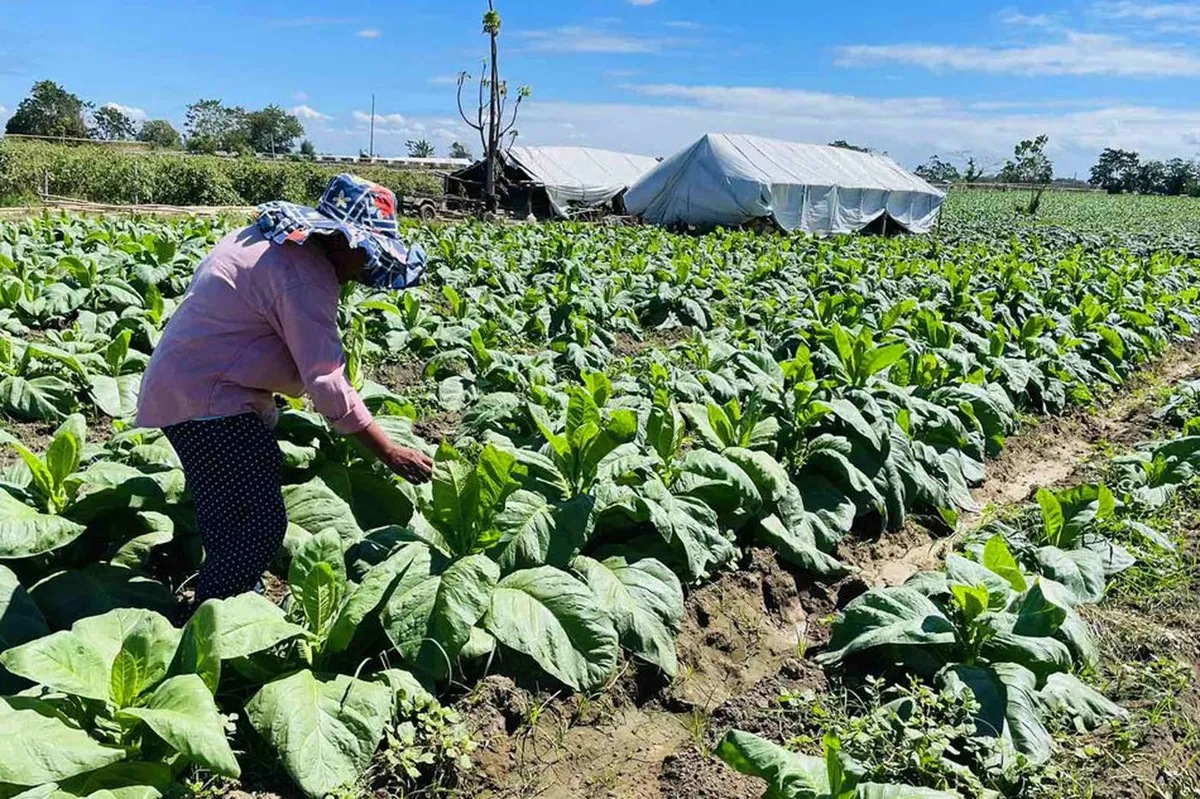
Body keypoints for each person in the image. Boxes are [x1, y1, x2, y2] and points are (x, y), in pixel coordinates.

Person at [137, 173, 434, 608]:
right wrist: (389, 451)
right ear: (342, 241)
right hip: (208, 404)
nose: (368, 268)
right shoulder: (304, 276)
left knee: (233, 515)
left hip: (191, 392)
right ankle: (217, 621)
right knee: (256, 526)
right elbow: (327, 381)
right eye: (368, 253)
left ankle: (235, 598)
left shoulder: (270, 243)